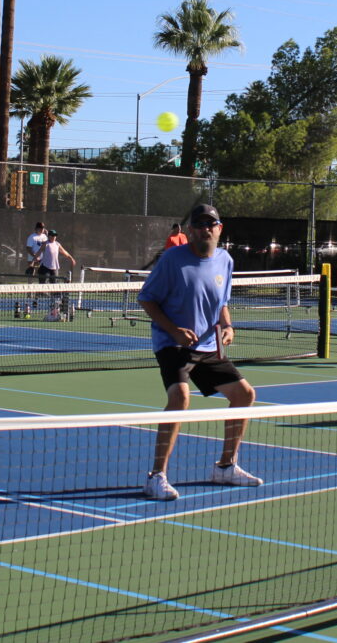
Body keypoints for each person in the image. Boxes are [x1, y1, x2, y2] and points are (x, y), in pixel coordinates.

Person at [137, 203, 262, 501]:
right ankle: (157, 477)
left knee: (244, 395)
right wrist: (174, 331)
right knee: (180, 397)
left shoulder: (225, 260)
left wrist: (228, 326)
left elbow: (222, 303)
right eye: (200, 224)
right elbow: (147, 299)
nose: (206, 229)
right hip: (174, 345)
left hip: (208, 346)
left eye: (211, 224)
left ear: (219, 229)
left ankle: (225, 467)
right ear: (191, 230)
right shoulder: (171, 260)